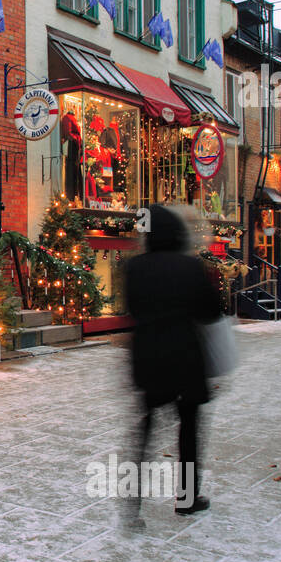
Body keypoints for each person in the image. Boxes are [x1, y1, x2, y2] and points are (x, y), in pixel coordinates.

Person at [122, 205, 221, 523]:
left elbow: (131, 308)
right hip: (186, 359)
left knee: (146, 430)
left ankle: (132, 502)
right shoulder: (191, 267)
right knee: (189, 430)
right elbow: (211, 312)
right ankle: (187, 498)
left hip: (149, 359)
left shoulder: (134, 268)